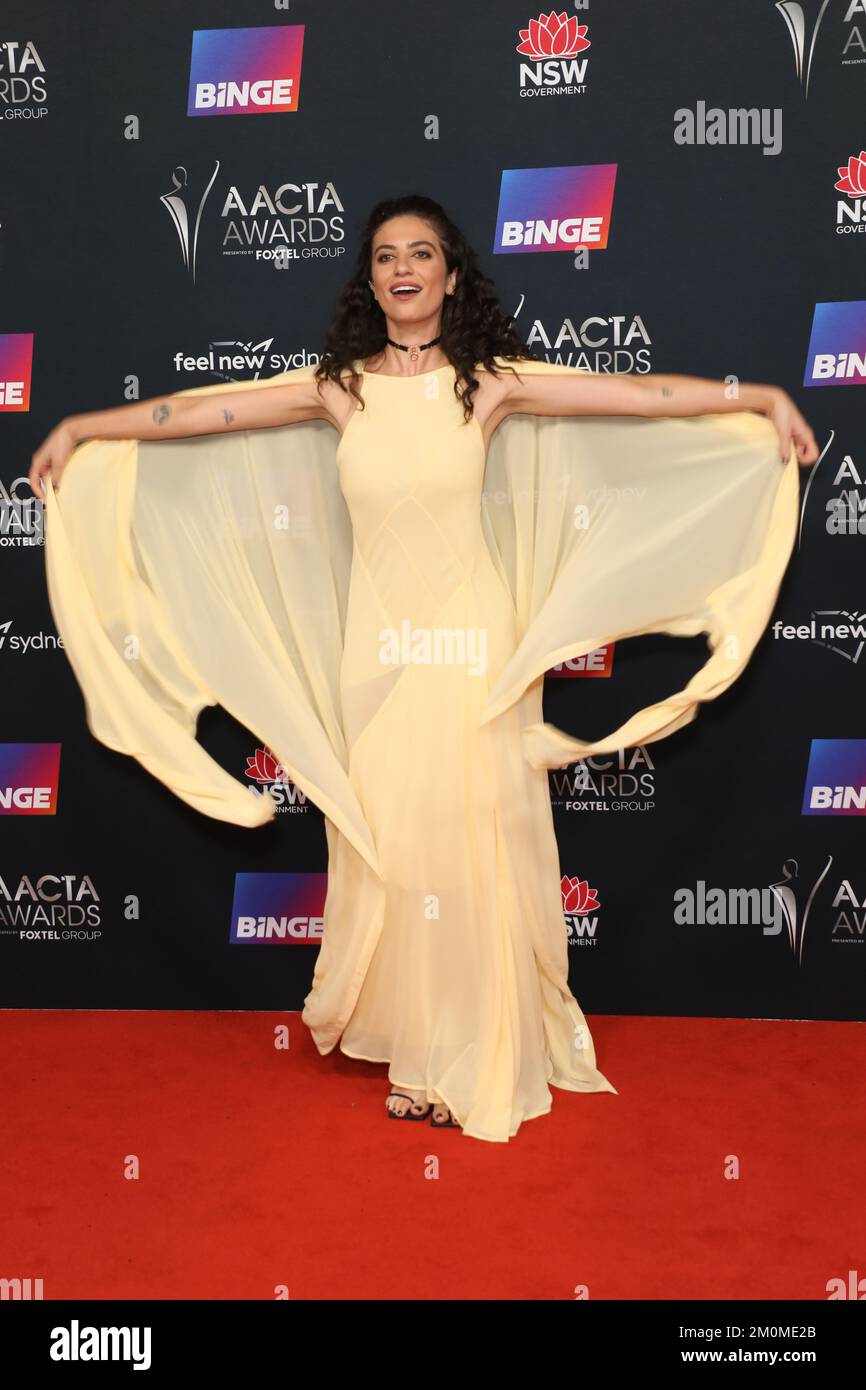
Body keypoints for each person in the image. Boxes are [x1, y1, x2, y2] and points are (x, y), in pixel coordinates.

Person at [30, 194, 818, 1142]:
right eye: (385, 257)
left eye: (422, 254)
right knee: (398, 843)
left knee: (467, 834)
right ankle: (417, 1027)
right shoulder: (338, 390)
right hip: (378, 646)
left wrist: (758, 399)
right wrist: (83, 428)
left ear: (451, 274)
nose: (403, 269)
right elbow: (201, 410)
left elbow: (639, 397)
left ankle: (454, 1056)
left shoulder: (489, 385)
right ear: (370, 279)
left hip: (466, 637)